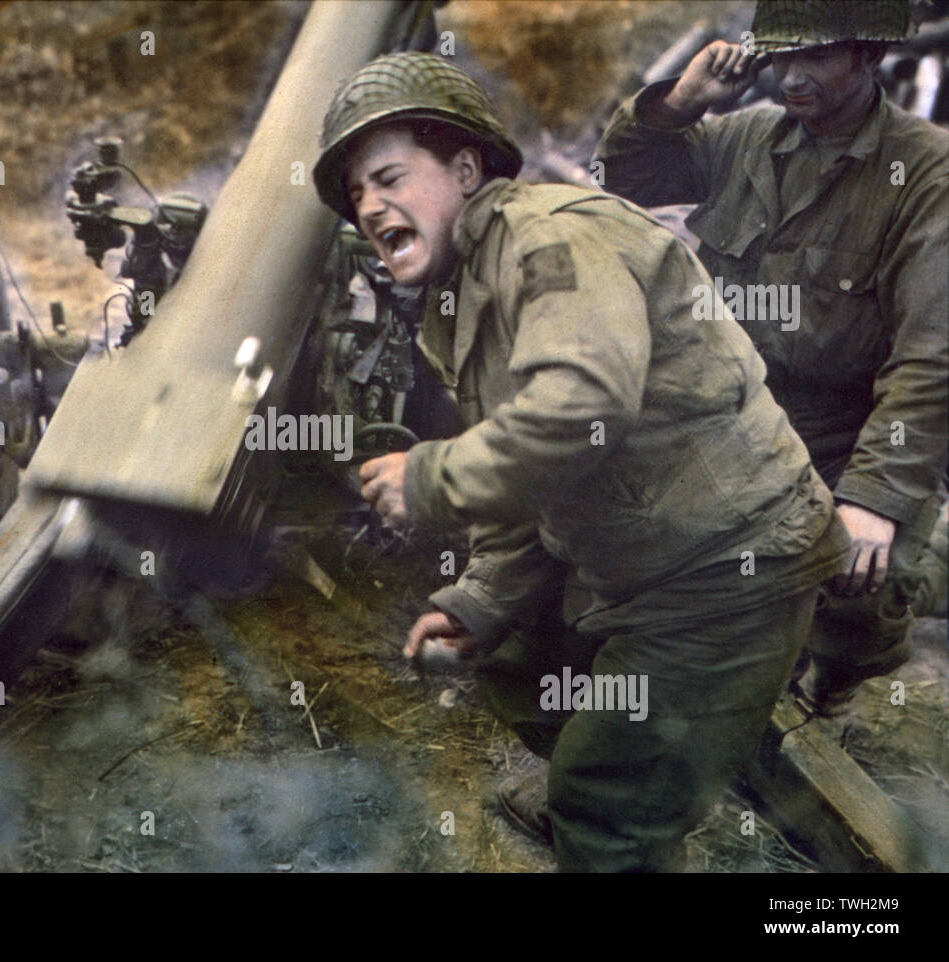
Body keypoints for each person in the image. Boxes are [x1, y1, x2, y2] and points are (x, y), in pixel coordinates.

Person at [313, 51, 851, 871]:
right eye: (356, 195)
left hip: (727, 569)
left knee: (603, 815)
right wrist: (483, 601)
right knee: (512, 657)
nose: (370, 205)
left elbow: (581, 407)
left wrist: (429, 477)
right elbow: (540, 477)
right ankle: (637, 764)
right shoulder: (464, 296)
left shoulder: (549, 238)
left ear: (465, 168)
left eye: (389, 176)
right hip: (643, 556)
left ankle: (618, 803)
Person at [593, 0, 948, 715]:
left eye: (815, 57)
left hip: (850, 433)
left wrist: (873, 500)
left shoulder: (927, 173)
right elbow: (626, 177)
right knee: (638, 548)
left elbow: (931, 357)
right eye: (782, 57)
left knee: (862, 587)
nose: (792, 76)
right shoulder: (748, 137)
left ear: (868, 55)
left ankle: (844, 679)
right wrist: (675, 106)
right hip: (732, 415)